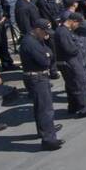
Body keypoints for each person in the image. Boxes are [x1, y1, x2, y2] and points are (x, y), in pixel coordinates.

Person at [19, 19, 63, 150]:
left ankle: (45, 129)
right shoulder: (30, 43)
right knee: (45, 109)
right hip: (36, 77)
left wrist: (48, 55)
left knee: (42, 107)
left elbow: (49, 52)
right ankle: (49, 139)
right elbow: (44, 60)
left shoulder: (36, 40)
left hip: (39, 76)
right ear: (37, 29)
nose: (47, 35)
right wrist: (48, 55)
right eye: (45, 32)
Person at [53, 9, 86, 117]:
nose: (77, 27)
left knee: (71, 85)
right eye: (78, 24)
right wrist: (77, 48)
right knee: (80, 83)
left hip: (65, 62)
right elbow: (69, 49)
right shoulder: (64, 32)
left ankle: (73, 106)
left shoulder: (61, 31)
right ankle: (85, 108)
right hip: (70, 61)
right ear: (73, 21)